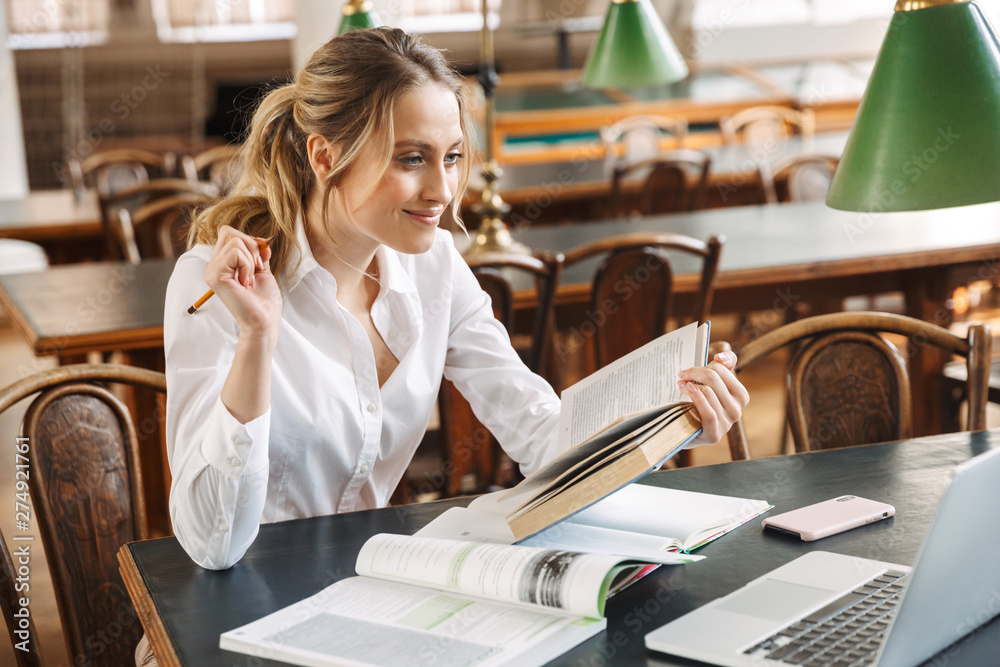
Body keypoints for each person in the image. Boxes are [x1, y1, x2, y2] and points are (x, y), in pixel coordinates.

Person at [163, 27, 750, 574]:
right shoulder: (214, 287)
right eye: (411, 158)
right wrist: (258, 337)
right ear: (324, 157)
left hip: (372, 581)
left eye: (450, 156)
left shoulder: (435, 266)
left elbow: (542, 436)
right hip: (242, 601)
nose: (443, 191)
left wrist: (673, 417)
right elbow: (213, 544)